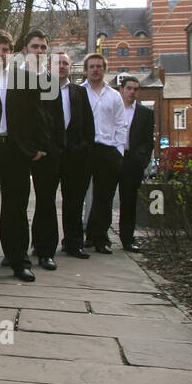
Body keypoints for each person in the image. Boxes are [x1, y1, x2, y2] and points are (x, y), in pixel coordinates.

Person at [0, 29, 46, 281]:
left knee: (16, 207)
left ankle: (19, 261)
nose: (1, 54)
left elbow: (36, 114)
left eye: (5, 49)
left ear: (12, 53)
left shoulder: (24, 78)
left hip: (15, 150)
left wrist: (38, 146)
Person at [21, 29, 61, 270]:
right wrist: (28, 148)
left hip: (47, 153)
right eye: (34, 46)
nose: (39, 51)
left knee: (46, 203)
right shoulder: (15, 78)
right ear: (25, 49)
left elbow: (56, 120)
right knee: (17, 204)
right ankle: (16, 252)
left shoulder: (51, 81)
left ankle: (46, 251)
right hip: (20, 151)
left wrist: (50, 149)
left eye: (43, 47)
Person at [80, 54, 126, 253]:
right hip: (84, 149)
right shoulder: (79, 92)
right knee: (76, 195)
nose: (96, 69)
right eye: (92, 66)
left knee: (104, 197)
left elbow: (120, 124)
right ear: (86, 69)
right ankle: (75, 239)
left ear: (104, 69)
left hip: (107, 150)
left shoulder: (114, 95)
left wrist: (118, 150)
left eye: (99, 66)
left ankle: (99, 237)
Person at [53, 52, 95, 259]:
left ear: (71, 67)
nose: (61, 66)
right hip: (51, 154)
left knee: (74, 201)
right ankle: (43, 245)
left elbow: (88, 123)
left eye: (65, 63)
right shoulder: (42, 89)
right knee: (46, 202)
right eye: (57, 63)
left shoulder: (79, 92)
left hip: (75, 154)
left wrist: (84, 146)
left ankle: (73, 243)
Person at [116, 74, 154, 252]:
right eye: (128, 88)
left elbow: (148, 141)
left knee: (129, 201)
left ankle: (127, 239)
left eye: (135, 89)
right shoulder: (113, 108)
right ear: (121, 89)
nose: (132, 92)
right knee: (103, 198)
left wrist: (142, 160)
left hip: (132, 160)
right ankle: (97, 238)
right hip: (112, 156)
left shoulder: (145, 113)